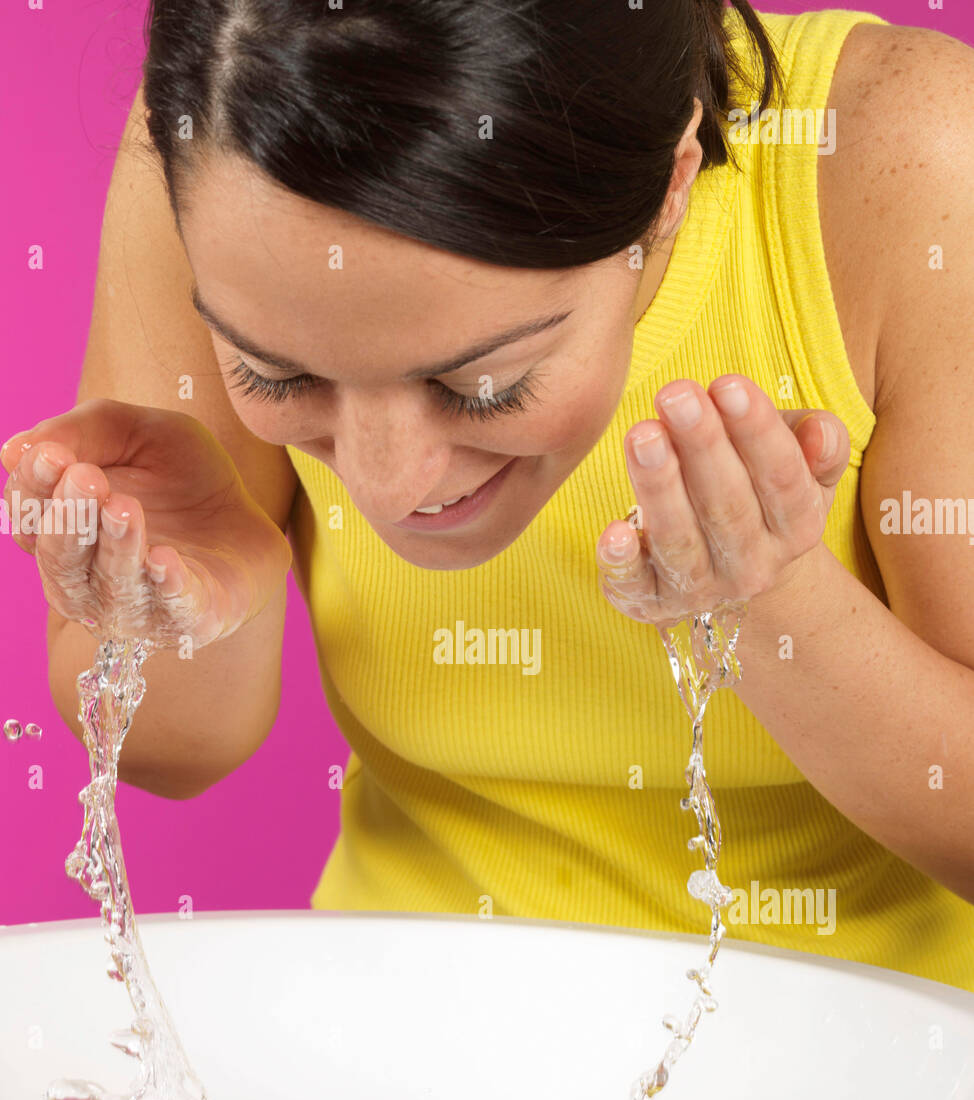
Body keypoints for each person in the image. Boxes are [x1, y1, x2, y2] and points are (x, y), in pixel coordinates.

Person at [3, 1, 973, 988]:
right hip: (404, 1049)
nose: (388, 485)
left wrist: (771, 601)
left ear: (672, 181)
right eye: (278, 376)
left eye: (481, 385)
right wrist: (193, 597)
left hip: (879, 1071)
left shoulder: (907, 163)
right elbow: (172, 751)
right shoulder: (229, 137)